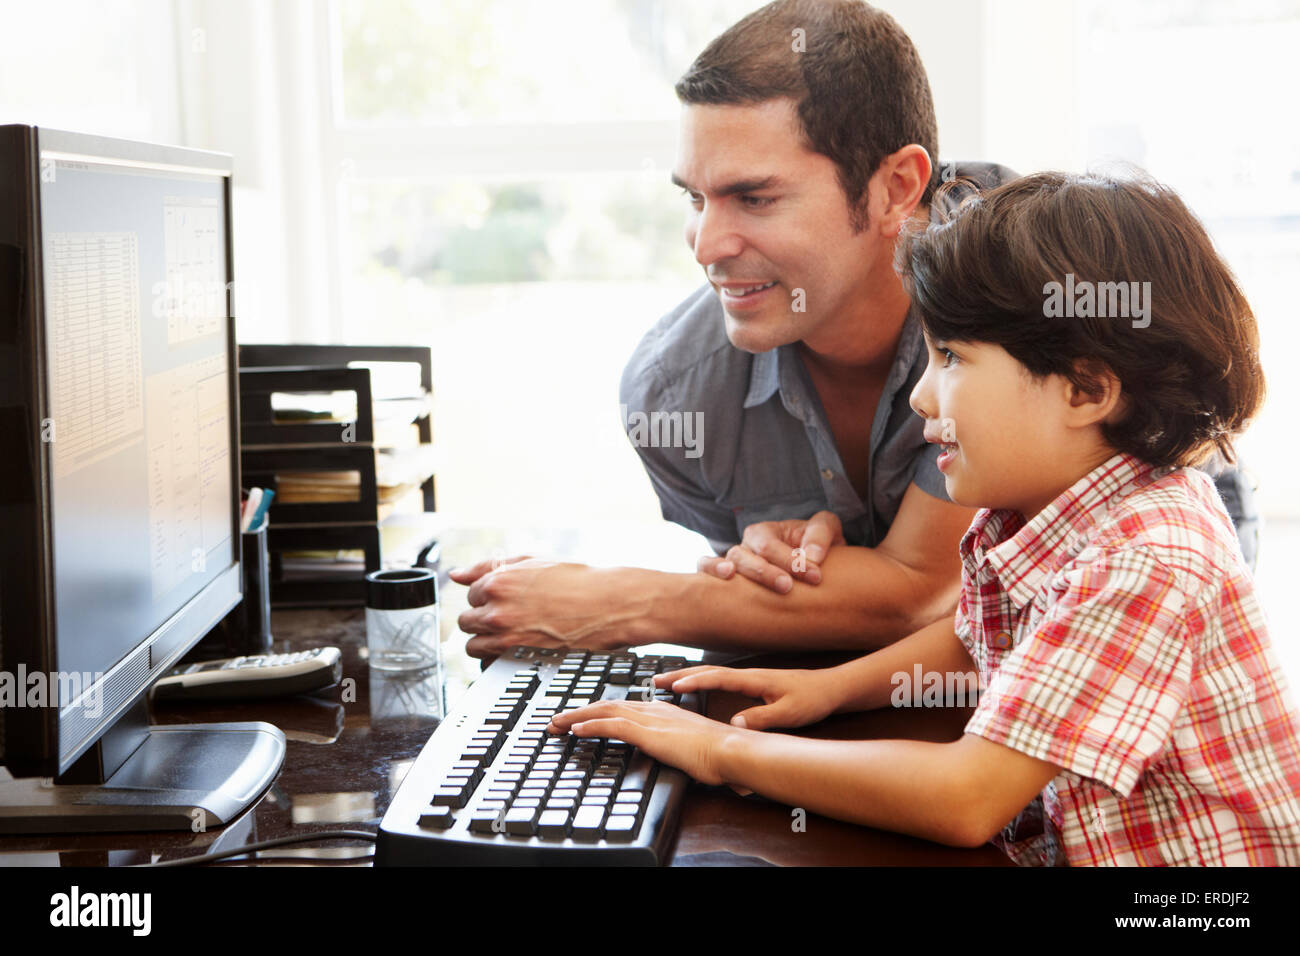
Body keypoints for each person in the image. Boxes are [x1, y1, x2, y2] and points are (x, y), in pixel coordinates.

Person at [550, 171, 1300, 866]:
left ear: (1085, 390)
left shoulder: (1148, 557)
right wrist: (833, 687)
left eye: (953, 358)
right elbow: (988, 638)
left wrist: (718, 753)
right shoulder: (1054, 507)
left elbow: (964, 797)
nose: (921, 396)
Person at [452, 0, 993, 659]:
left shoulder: (1018, 288)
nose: (706, 247)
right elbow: (793, 620)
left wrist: (624, 602)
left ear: (895, 187)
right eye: (695, 198)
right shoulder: (671, 395)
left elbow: (924, 592)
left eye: (755, 198)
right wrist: (779, 568)